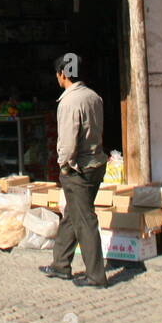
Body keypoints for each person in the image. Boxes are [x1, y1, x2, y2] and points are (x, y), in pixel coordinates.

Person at [39, 54, 108, 288]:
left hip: (79, 168)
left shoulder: (69, 102)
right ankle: (60, 263)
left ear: (63, 73)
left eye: (57, 73)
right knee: (72, 214)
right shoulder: (93, 96)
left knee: (85, 220)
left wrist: (64, 165)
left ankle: (96, 275)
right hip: (96, 163)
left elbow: (68, 142)